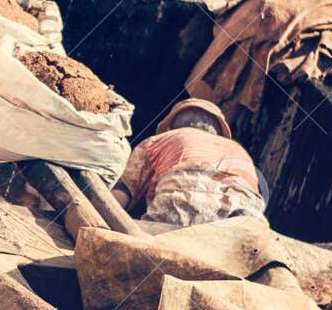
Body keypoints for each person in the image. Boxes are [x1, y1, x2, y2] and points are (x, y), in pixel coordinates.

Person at [113, 97, 267, 228]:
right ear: (218, 131)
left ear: (172, 127)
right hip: (248, 222)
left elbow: (124, 191)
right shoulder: (239, 150)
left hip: (183, 214)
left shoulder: (156, 141)